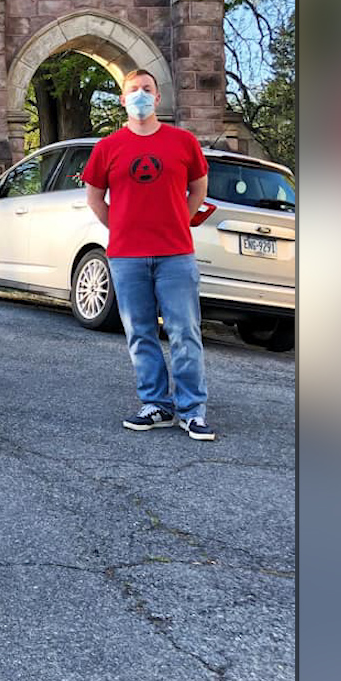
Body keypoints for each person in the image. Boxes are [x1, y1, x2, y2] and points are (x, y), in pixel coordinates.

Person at [83, 69, 215, 440]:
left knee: (184, 332)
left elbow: (198, 188)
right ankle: (156, 404)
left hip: (175, 254)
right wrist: (122, 227)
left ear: (158, 99)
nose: (140, 95)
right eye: (133, 91)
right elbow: (94, 197)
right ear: (122, 100)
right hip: (127, 257)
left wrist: (177, 220)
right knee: (140, 333)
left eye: (147, 90)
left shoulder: (183, 142)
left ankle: (192, 410)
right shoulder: (108, 147)